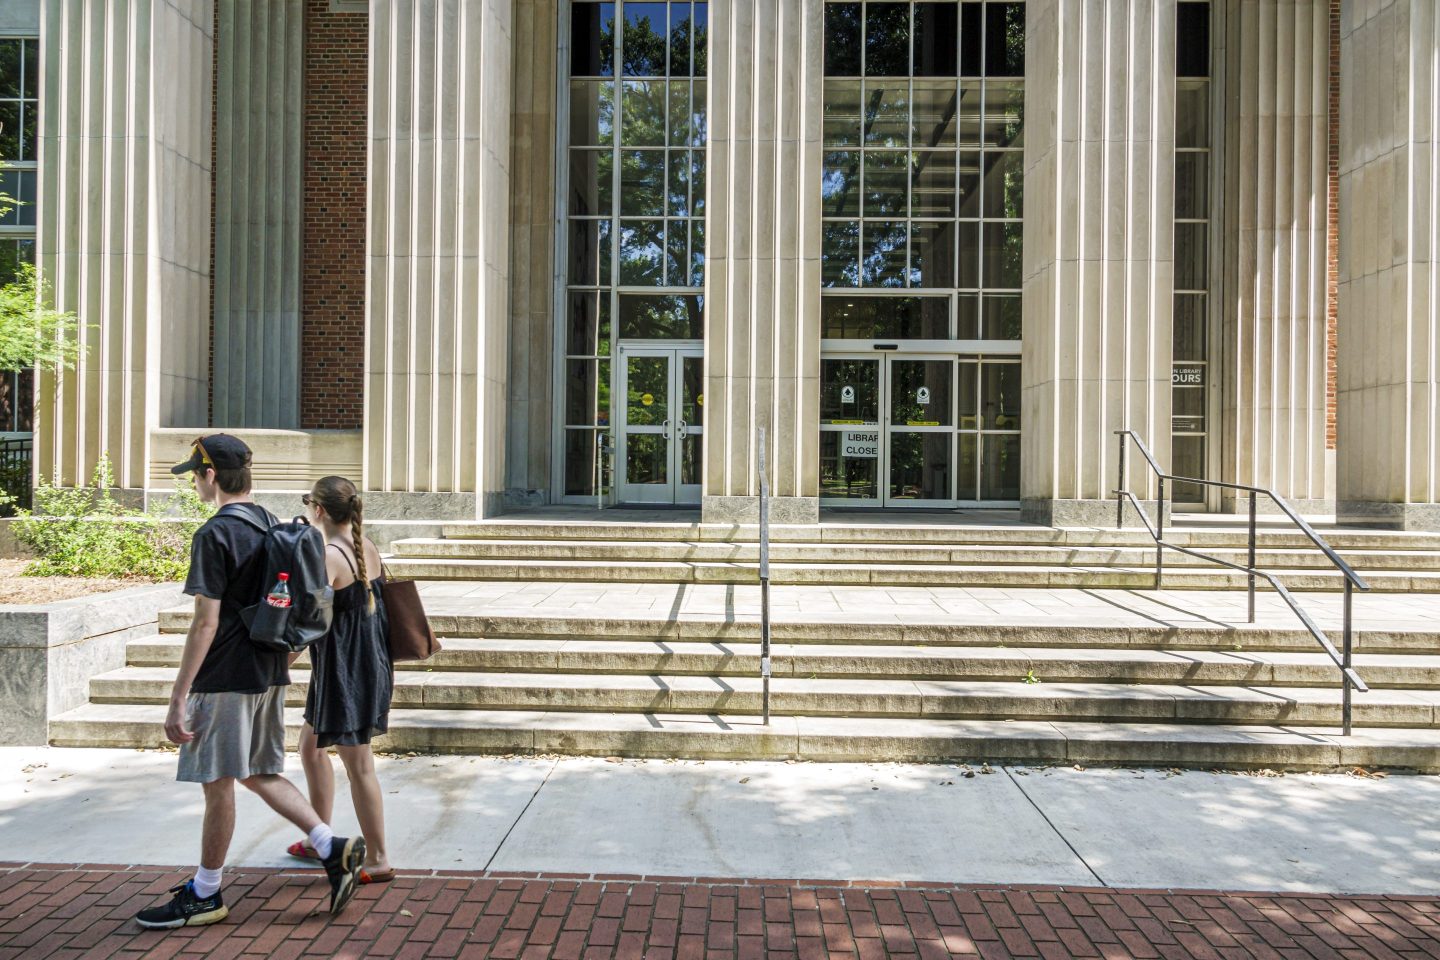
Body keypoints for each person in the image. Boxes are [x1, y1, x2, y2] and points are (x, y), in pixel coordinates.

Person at [135, 436, 367, 930]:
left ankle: (205, 892)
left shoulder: (215, 534)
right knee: (257, 771)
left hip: (223, 678)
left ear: (211, 476)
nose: (196, 483)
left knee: (218, 784)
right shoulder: (270, 523)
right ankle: (332, 846)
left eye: (195, 475)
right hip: (269, 670)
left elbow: (205, 623)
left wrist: (179, 697)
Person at [284, 475, 395, 884]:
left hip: (348, 675)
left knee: (360, 765)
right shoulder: (365, 546)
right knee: (310, 748)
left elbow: (307, 623)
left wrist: (279, 664)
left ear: (319, 510)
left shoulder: (329, 554)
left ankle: (380, 857)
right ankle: (320, 837)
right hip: (363, 667)